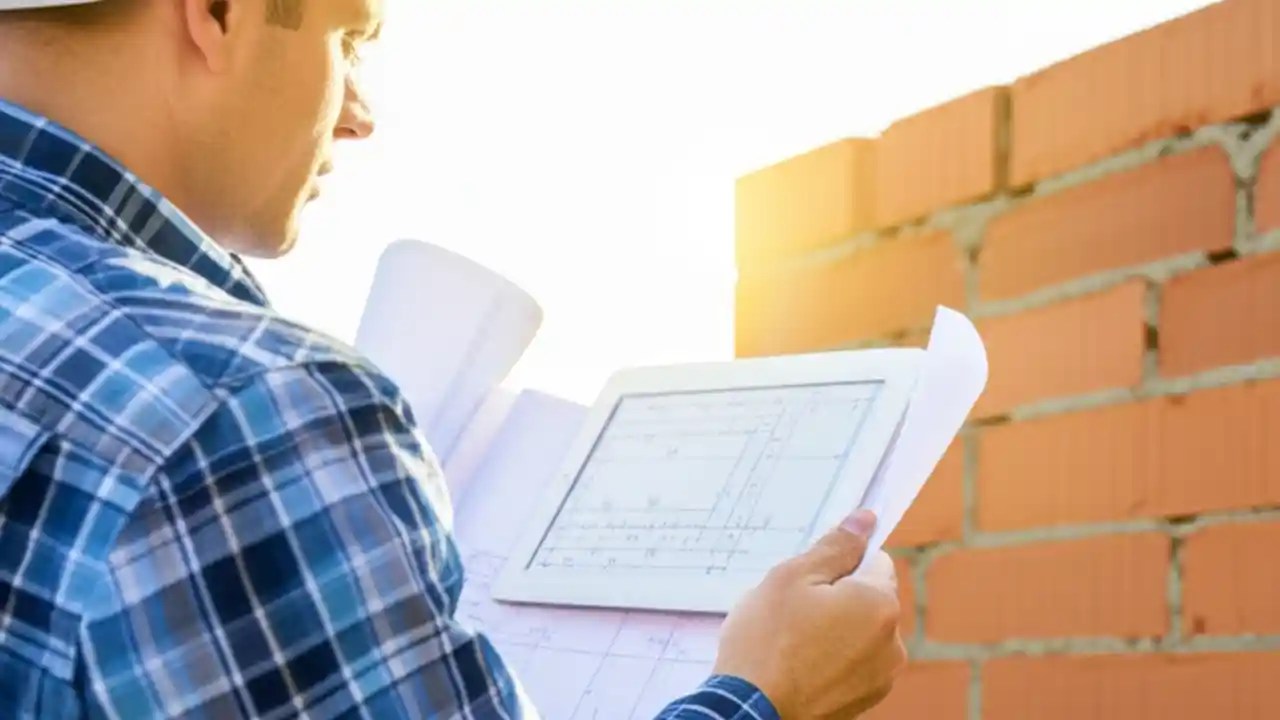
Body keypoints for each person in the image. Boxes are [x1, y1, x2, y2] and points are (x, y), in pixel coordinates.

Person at [0, 0, 907, 718]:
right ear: (220, 10)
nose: (357, 115)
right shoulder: (237, 407)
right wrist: (762, 694)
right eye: (349, 39)